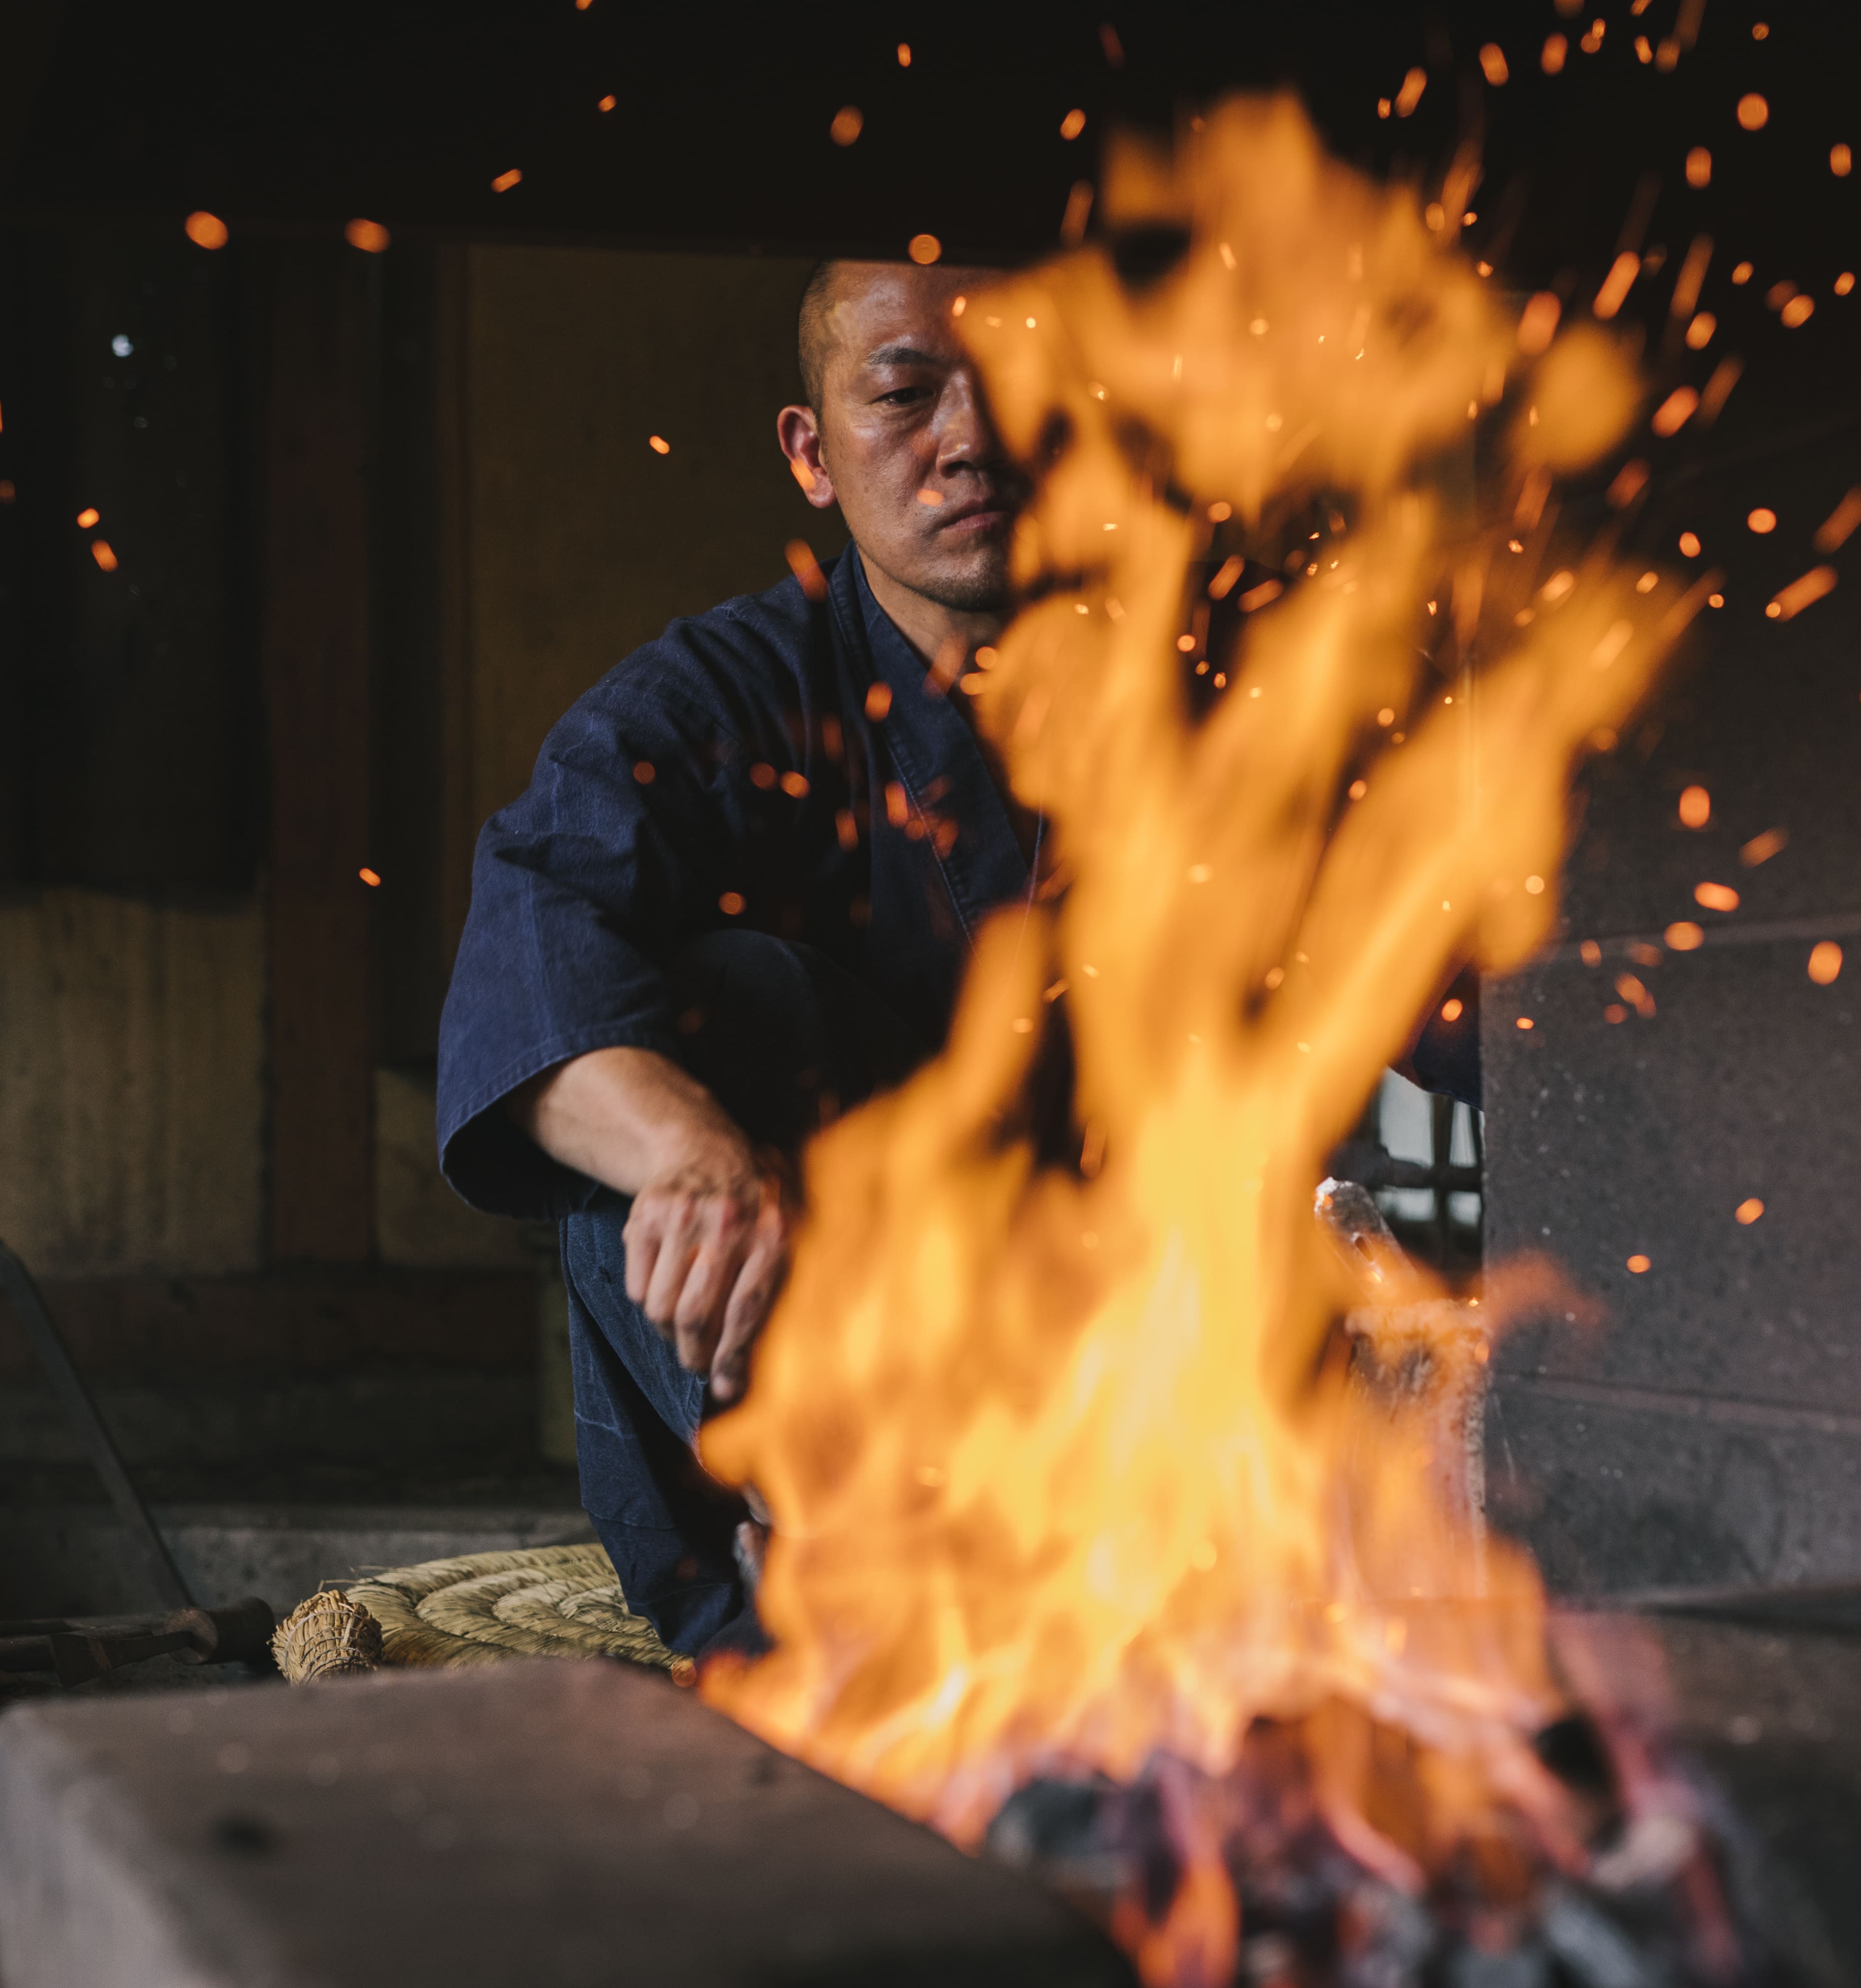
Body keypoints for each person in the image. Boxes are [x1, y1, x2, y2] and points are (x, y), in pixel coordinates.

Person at [435, 259, 1478, 1658]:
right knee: (712, 1018)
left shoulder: (1222, 713)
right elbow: (533, 940)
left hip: (1141, 1401)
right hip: (821, 1457)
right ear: (812, 452)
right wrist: (694, 1153)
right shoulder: (722, 700)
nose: (973, 440)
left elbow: (1460, 998)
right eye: (905, 393)